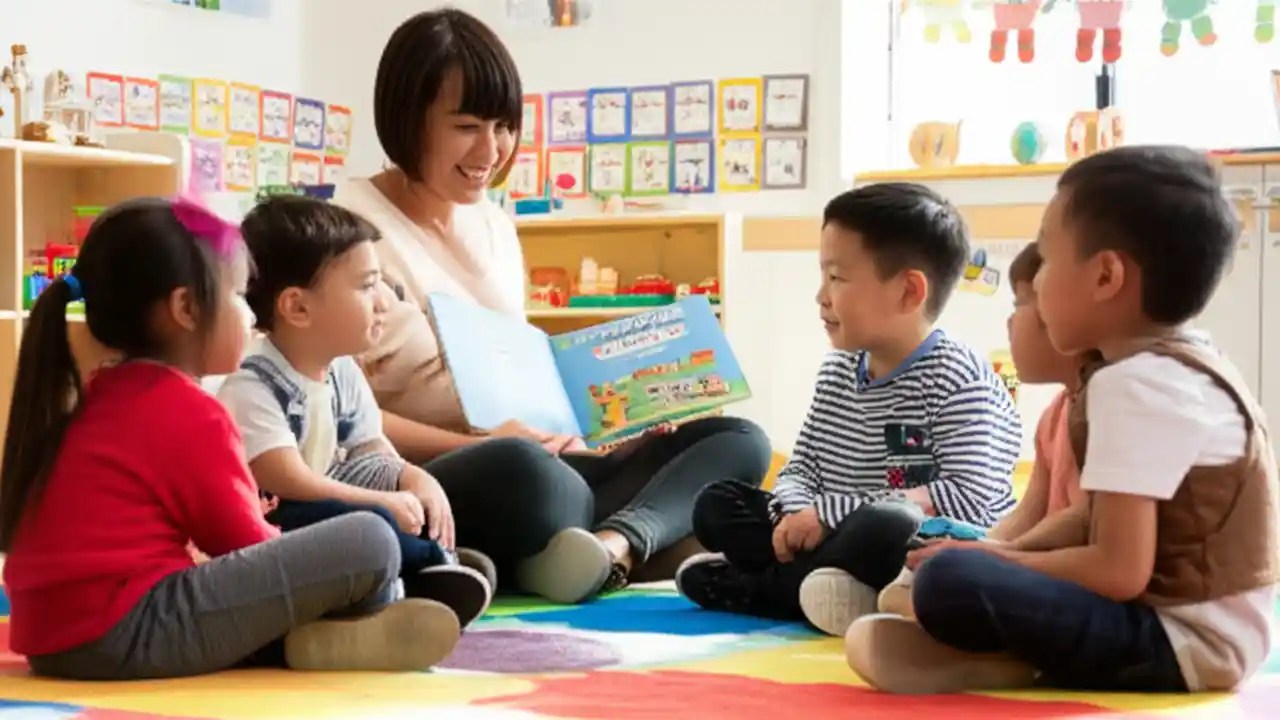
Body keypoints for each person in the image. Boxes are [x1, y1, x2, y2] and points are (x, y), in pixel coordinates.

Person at [331, 8, 771, 604]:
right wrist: (479, 447)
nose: (491, 150)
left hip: (549, 461)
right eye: (466, 126)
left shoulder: (494, 223)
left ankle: (611, 544)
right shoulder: (347, 231)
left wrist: (612, 433)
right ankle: (639, 540)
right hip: (447, 474)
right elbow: (340, 419)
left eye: (503, 125)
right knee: (529, 477)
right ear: (409, 120)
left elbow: (524, 370)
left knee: (740, 440)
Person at [847, 145, 1277, 696]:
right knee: (956, 563)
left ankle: (1015, 662)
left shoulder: (1134, 385)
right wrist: (1000, 552)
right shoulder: (1185, 365)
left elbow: (1119, 571)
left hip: (1182, 642)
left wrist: (991, 563)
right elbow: (1094, 518)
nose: (1038, 282)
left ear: (1105, 276)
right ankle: (994, 656)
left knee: (948, 579)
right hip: (1212, 633)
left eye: (1046, 259)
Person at [0, 197, 460, 680]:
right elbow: (243, 544)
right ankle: (361, 620)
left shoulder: (102, 393)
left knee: (337, 541)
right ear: (186, 308)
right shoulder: (189, 411)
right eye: (238, 296)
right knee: (371, 538)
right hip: (126, 633)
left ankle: (327, 638)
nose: (248, 315)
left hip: (52, 641)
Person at [675, 184, 1022, 636]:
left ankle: (762, 588)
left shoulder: (961, 380)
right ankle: (814, 589)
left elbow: (971, 500)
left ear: (908, 292)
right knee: (716, 503)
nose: (821, 296)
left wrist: (829, 514)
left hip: (903, 543)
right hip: (823, 534)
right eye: (823, 277)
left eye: (837, 278)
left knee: (890, 523)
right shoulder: (839, 369)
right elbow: (803, 464)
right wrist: (793, 514)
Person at [217, 196, 491, 628]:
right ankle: (422, 571)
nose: (383, 302)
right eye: (366, 286)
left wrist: (415, 479)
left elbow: (372, 451)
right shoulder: (253, 385)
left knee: (393, 515)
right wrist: (381, 500)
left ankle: (428, 568)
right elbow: (289, 479)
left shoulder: (342, 371)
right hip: (279, 523)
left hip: (332, 504)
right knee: (370, 525)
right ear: (298, 307)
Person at [876, 241, 1084, 618]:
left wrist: (991, 554)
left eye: (1021, 304)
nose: (1010, 321)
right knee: (925, 543)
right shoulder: (1055, 413)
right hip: (1034, 561)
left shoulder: (1100, 412)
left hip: (1066, 576)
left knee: (933, 566)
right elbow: (1024, 518)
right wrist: (974, 544)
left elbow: (1082, 529)